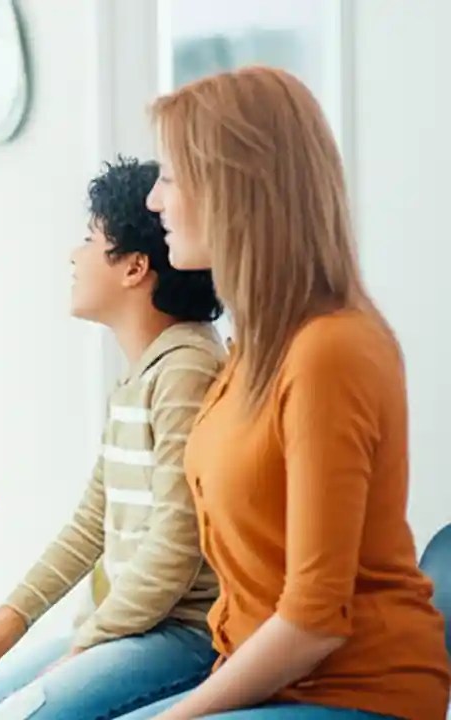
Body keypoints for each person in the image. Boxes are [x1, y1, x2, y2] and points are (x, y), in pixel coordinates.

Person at [122, 66, 451, 720]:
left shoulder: (330, 350)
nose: (154, 202)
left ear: (237, 188)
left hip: (358, 695)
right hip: (274, 683)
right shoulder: (253, 351)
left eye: (171, 177)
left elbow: (314, 619)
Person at [0, 156, 227, 720]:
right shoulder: (140, 373)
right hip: (129, 629)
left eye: (91, 238)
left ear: (134, 267)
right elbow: (89, 526)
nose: (74, 255)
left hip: (181, 636)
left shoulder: (187, 370)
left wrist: (84, 645)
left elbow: (175, 547)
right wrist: (1, 630)